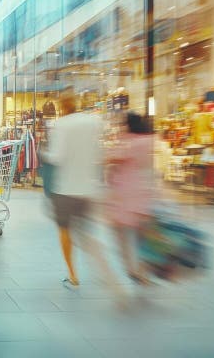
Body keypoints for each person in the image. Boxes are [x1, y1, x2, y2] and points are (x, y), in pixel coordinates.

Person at [42, 92, 121, 296]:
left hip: (65, 189)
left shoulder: (61, 125)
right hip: (89, 188)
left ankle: (73, 274)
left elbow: (57, 157)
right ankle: (107, 272)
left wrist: (43, 154)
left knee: (65, 231)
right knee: (87, 235)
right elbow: (99, 154)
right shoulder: (93, 121)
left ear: (61, 107)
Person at [105, 112, 154, 284]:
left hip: (125, 194)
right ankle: (142, 270)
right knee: (142, 236)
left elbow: (111, 158)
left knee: (120, 234)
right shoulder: (148, 140)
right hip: (143, 193)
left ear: (128, 125)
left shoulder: (129, 142)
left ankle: (132, 269)